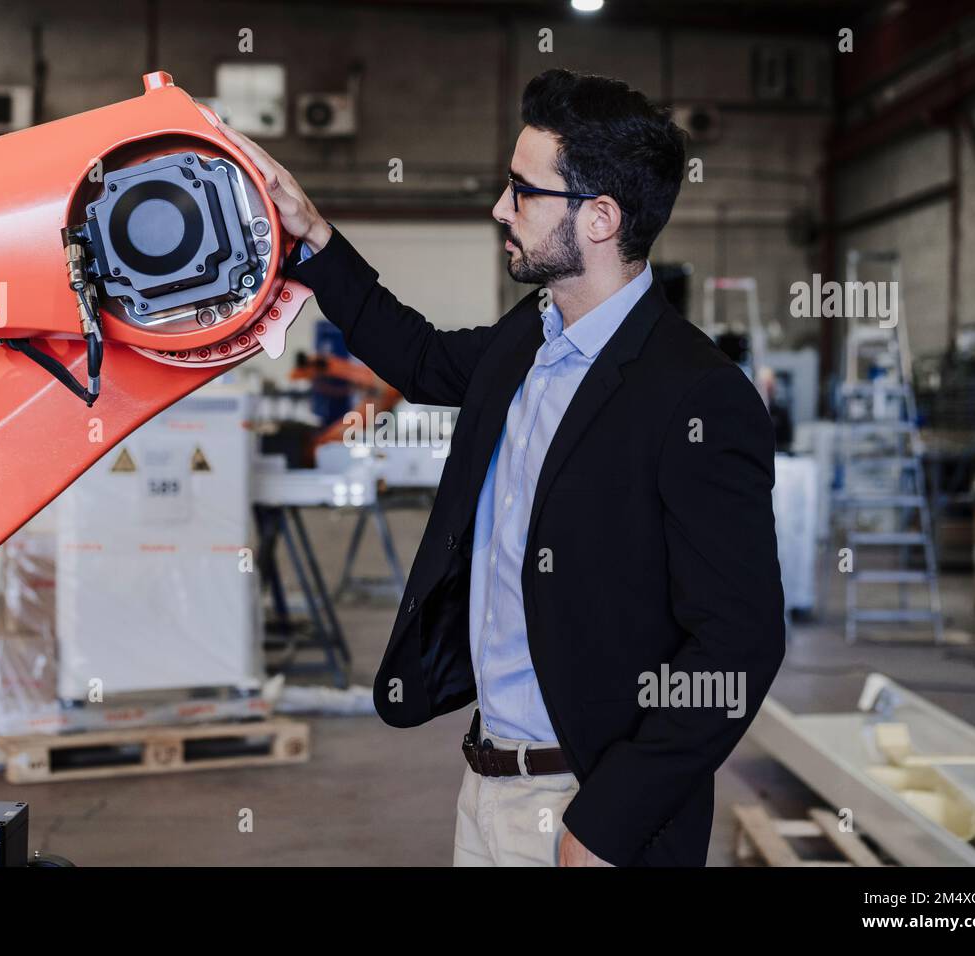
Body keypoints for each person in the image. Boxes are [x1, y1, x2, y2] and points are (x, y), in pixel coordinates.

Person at [210, 68, 785, 867]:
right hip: (486, 787)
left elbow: (739, 644)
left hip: (587, 811)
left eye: (522, 191)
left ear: (600, 219)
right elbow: (418, 357)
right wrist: (312, 237)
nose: (499, 209)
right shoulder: (530, 341)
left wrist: (609, 820)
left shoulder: (695, 396)